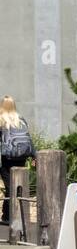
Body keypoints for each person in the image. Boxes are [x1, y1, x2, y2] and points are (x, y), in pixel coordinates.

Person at [0, 96, 35, 226]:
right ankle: (15, 216)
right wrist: (34, 156)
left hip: (7, 160)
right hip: (21, 158)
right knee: (18, 188)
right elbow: (29, 140)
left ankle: (7, 217)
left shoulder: (1, 121)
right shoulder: (21, 120)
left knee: (10, 188)